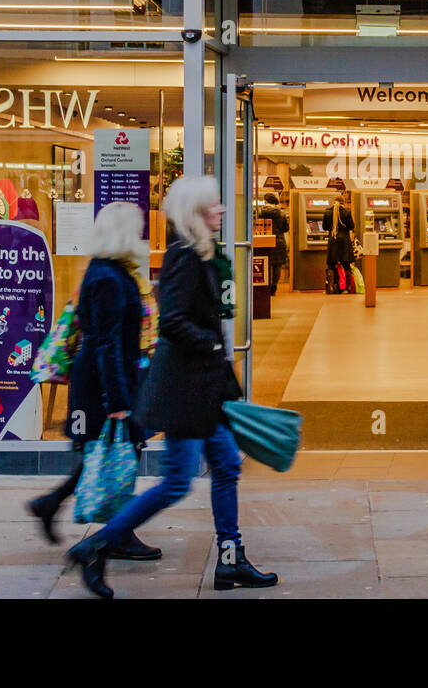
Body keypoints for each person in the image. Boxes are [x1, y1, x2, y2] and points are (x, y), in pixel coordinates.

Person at [67, 175, 278, 597]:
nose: (221, 210)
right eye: (214, 206)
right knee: (178, 481)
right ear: (196, 213)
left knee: (226, 468)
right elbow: (175, 320)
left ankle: (231, 560)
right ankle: (97, 544)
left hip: (204, 388)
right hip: (185, 391)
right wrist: (213, 346)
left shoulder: (200, 253)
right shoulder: (184, 255)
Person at [26, 201, 160, 563]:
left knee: (104, 454)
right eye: (136, 228)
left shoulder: (113, 272)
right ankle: (117, 534)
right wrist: (117, 399)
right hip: (103, 382)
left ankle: (51, 504)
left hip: (109, 377)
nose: (141, 235)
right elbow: (105, 343)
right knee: (116, 452)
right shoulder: (107, 278)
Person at [257, 192, 289, 295]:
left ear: (265, 201)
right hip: (279, 241)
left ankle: (266, 286)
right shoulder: (281, 213)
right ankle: (274, 287)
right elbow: (286, 228)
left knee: (266, 264)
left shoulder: (260, 212)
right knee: (277, 266)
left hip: (263, 240)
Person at [322, 192, 355, 293]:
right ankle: (348, 288)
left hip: (333, 240)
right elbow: (351, 227)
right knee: (346, 264)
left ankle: (331, 288)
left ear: (334, 202)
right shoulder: (346, 212)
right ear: (343, 202)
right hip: (345, 241)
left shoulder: (328, 212)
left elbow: (324, 227)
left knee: (331, 264)